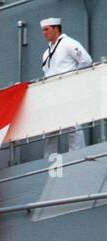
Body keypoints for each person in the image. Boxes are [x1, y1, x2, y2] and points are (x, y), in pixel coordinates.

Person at [40, 18, 91, 152]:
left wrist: (73, 79)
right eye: (43, 30)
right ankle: (49, 158)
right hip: (52, 94)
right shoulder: (46, 53)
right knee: (50, 128)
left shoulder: (68, 43)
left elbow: (86, 61)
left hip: (68, 90)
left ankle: (76, 153)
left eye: (46, 29)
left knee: (73, 124)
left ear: (56, 29)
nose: (44, 33)